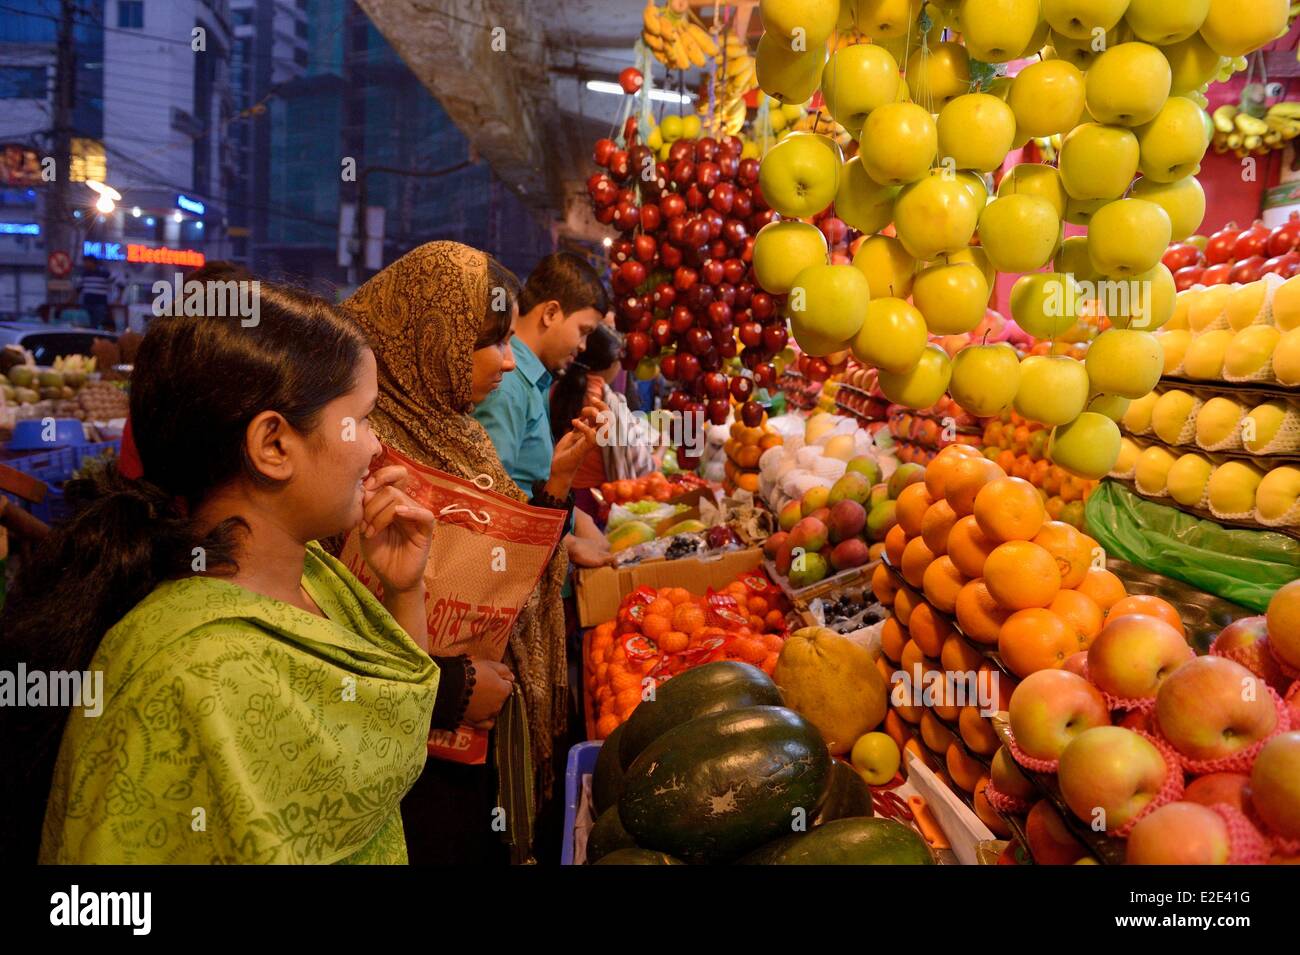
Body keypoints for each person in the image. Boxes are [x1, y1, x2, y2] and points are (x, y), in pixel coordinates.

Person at [0, 284, 444, 863]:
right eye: (360, 420)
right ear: (273, 444)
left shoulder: (315, 573)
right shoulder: (183, 674)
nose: (376, 445)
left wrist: (403, 589)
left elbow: (387, 732)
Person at [345, 241, 598, 864]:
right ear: (434, 336)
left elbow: (506, 563)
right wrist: (452, 688)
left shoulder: (454, 432)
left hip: (475, 741)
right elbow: (339, 637)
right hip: (402, 764)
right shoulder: (356, 453)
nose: (509, 364)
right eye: (492, 342)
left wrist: (554, 493)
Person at [473, 251, 613, 568]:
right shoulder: (506, 384)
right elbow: (490, 495)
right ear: (550, 312)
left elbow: (524, 481)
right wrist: (569, 540)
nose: (583, 348)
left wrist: (575, 517)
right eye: (584, 331)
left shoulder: (530, 382)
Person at [550, 323, 659, 522]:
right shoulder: (606, 404)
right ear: (610, 363)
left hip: (558, 494)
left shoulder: (555, 390)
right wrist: (660, 451)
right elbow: (643, 464)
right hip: (598, 502)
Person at [77, 255, 113, 331]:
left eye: (86, 262)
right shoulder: (84, 274)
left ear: (92, 262)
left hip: (100, 304)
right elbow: (78, 289)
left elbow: (114, 286)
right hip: (86, 304)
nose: (85, 264)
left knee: (97, 325)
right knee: (85, 325)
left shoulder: (105, 274)